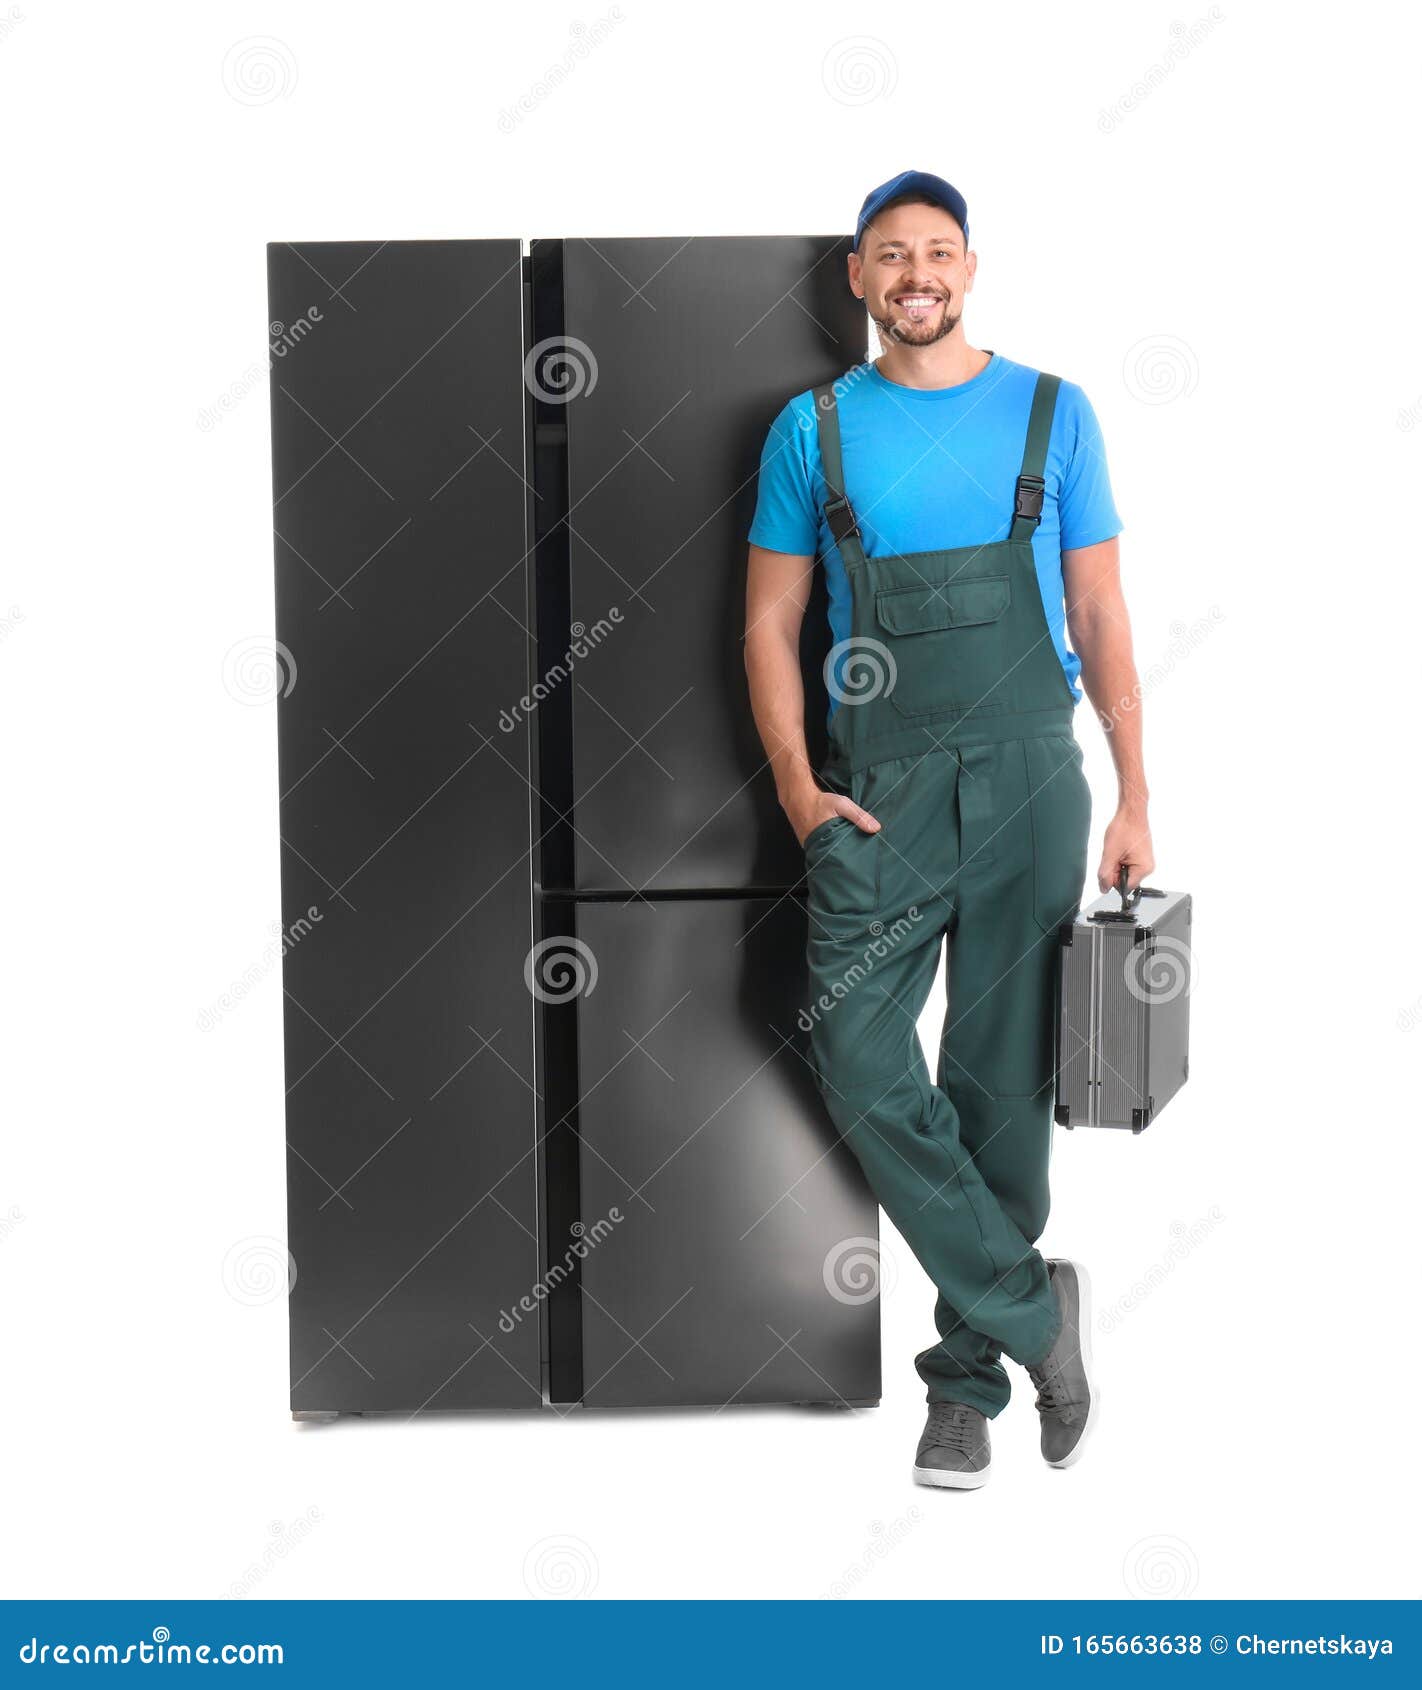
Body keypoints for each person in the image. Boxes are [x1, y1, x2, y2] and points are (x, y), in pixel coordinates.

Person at [744, 170, 1153, 1488]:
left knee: (997, 1087)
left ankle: (965, 1384)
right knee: (857, 1054)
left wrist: (1137, 793)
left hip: (1034, 779)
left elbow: (1097, 618)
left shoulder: (1053, 411)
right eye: (887, 255)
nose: (914, 273)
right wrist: (803, 791)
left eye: (936, 252)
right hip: (879, 788)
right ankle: (1036, 1308)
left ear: (967, 270)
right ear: (856, 280)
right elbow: (765, 623)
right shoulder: (815, 430)